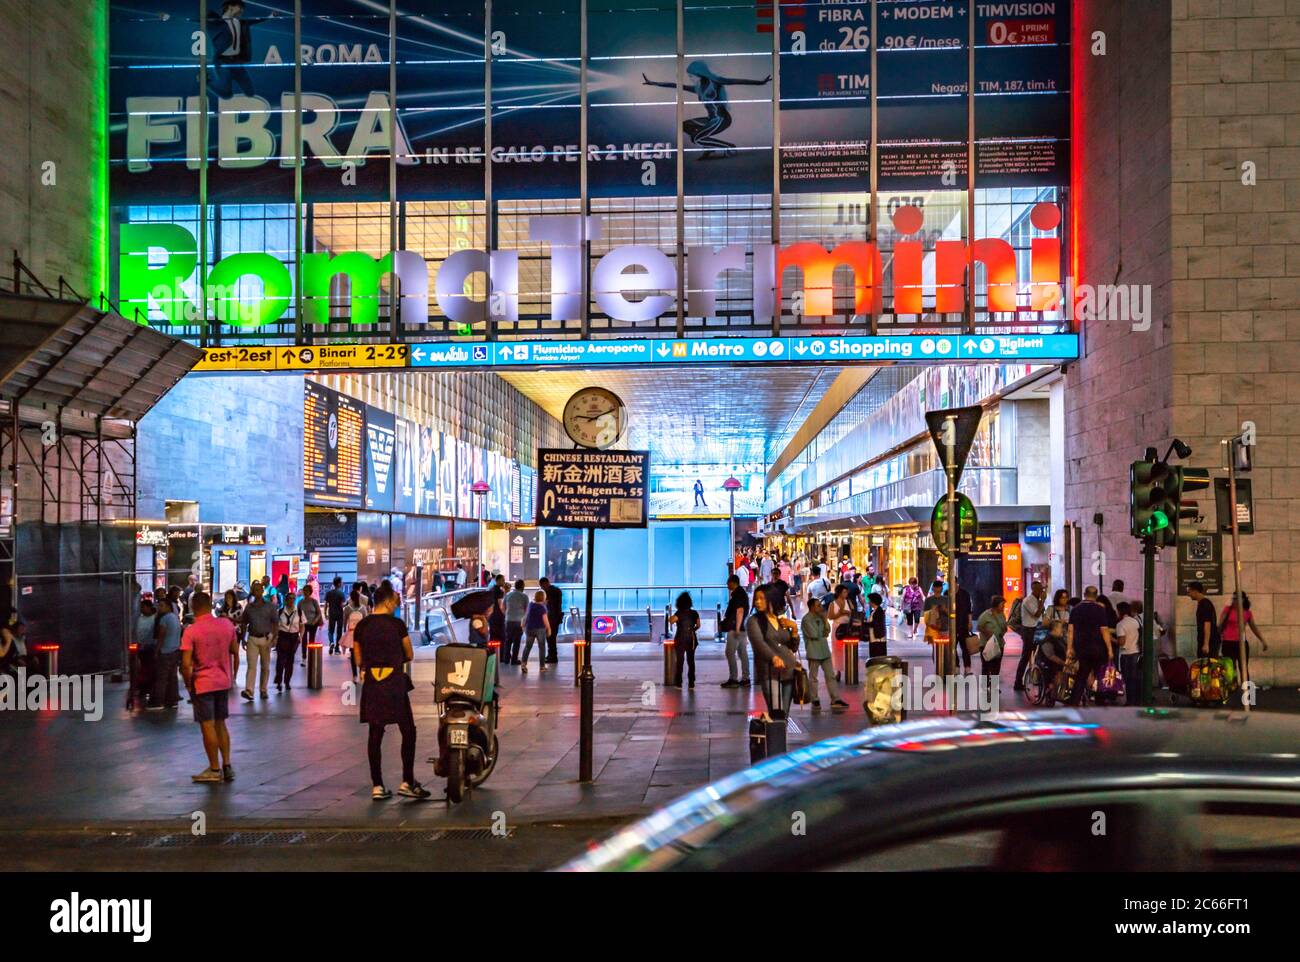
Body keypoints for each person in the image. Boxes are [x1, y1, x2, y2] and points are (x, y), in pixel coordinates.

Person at [354, 584, 430, 800]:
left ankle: (377, 785)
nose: (397, 603)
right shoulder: (397, 625)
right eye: (395, 599)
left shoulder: (362, 625)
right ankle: (407, 781)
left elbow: (358, 658)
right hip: (394, 682)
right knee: (408, 730)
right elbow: (409, 653)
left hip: (372, 684)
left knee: (375, 733)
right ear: (386, 601)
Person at [179, 592, 238, 784]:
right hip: (222, 681)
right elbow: (235, 652)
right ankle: (227, 765)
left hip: (203, 683)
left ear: (193, 607)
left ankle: (214, 768)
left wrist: (189, 685)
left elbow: (186, 663)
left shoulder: (191, 631)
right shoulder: (226, 625)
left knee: (207, 724)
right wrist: (232, 677)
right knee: (221, 723)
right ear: (210, 604)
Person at [746, 588, 800, 719]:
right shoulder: (754, 621)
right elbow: (758, 644)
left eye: (761, 598)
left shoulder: (780, 619)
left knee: (784, 713)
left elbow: (793, 647)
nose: (757, 602)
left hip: (789, 671)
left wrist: (794, 630)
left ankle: (780, 738)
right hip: (770, 672)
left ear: (771, 599)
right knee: (777, 711)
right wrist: (773, 657)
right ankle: (775, 738)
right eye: (756, 599)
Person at [1066, 586, 1114, 705]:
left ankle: (1075, 701)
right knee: (1100, 674)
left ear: (1084, 594)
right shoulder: (1100, 609)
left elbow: (1070, 630)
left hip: (1081, 647)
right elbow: (1104, 630)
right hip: (1098, 647)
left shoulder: (1075, 610)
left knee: (1082, 675)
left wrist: (1069, 648)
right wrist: (1109, 649)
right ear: (1096, 595)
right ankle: (1100, 700)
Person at [801, 598, 848, 712]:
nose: (820, 608)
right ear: (812, 607)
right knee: (813, 677)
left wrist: (824, 620)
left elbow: (826, 632)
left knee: (830, 675)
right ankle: (815, 699)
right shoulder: (806, 619)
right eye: (818, 606)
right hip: (814, 651)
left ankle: (835, 698)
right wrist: (821, 629)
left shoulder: (820, 617)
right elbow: (814, 634)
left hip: (824, 651)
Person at [239, 581, 277, 701]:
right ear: (253, 592)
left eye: (259, 589)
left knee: (265, 666)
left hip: (266, 638)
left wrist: (275, 637)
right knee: (252, 666)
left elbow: (275, 622)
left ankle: (263, 689)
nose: (258, 592)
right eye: (255, 590)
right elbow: (244, 622)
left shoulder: (270, 606)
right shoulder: (249, 607)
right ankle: (249, 690)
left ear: (262, 591)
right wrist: (243, 638)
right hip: (253, 638)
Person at [149, 595, 184, 712]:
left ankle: (158, 701)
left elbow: (161, 635)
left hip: (165, 651)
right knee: (172, 677)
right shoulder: (175, 618)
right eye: (158, 605)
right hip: (175, 650)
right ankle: (172, 700)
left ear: (168, 607)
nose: (159, 608)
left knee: (161, 677)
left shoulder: (164, 619)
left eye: (161, 605)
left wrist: (157, 650)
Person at [1011, 581, 1047, 691]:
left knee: (1039, 654)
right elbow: (1036, 613)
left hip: (1037, 629)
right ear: (1033, 589)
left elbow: (1041, 614)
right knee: (1025, 656)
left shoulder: (1037, 600)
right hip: (1029, 630)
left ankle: (1036, 678)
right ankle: (1018, 682)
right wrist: (1042, 600)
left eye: (1042, 589)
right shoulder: (1028, 601)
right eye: (1039, 589)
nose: (1041, 591)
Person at [1219, 591, 1268, 671]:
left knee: (1243, 669)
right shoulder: (1227, 610)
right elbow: (1220, 624)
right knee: (1230, 669)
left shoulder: (1247, 613)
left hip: (1241, 642)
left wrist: (1262, 640)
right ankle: (1233, 683)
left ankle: (1245, 683)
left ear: (1243, 600)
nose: (1234, 601)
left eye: (1236, 599)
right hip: (1228, 642)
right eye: (1233, 599)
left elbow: (1254, 627)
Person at [720, 574, 751, 688]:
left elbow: (740, 611)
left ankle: (733, 678)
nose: (727, 584)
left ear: (734, 582)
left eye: (728, 582)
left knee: (729, 653)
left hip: (735, 629)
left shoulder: (738, 595)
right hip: (741, 628)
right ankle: (746, 678)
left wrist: (737, 628)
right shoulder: (741, 594)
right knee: (743, 653)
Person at [668, 592, 701, 689]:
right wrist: (693, 630)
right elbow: (698, 625)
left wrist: (671, 616)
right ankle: (691, 683)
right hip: (691, 638)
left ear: (679, 603)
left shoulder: (678, 613)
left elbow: (671, 621)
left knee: (680, 661)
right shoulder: (694, 613)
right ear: (690, 602)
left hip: (680, 638)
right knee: (691, 661)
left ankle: (679, 683)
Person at [274, 590, 303, 692]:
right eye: (289, 599)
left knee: (290, 661)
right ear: (286, 600)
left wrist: (301, 636)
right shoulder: (281, 611)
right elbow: (276, 625)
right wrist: (275, 637)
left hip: (293, 637)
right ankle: (278, 681)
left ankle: (287, 681)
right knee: (281, 660)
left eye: (293, 599)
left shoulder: (298, 611)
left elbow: (302, 624)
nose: (291, 600)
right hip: (283, 636)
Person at [1114, 601, 1142, 705]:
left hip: (1126, 654)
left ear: (1120, 611)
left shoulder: (1120, 624)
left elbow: (1121, 642)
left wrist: (1111, 639)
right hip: (1136, 651)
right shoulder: (1135, 621)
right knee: (1135, 678)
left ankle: (1130, 701)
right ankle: (1137, 700)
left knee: (1128, 679)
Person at [133, 598, 158, 707]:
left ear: (149, 607)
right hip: (142, 647)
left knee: (149, 668)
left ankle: (149, 688)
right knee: (143, 668)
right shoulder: (140, 619)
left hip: (151, 646)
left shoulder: (155, 619)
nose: (142, 609)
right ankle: (143, 687)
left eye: (143, 607)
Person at [976, 595, 1008, 681]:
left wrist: (1004, 630)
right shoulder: (986, 615)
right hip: (987, 644)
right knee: (986, 666)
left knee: (996, 667)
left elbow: (1004, 626)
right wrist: (987, 633)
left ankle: (994, 687)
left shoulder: (1002, 615)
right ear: (996, 605)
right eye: (1002, 605)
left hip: (999, 644)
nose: (1004, 607)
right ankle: (985, 686)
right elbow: (979, 626)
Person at [1187, 582, 1220, 658]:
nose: (1188, 594)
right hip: (1209, 641)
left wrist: (1206, 644)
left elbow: (1207, 624)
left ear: (1195, 591)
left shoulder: (1205, 605)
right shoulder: (1203, 603)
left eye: (1189, 592)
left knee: (1207, 666)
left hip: (1210, 642)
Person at [826, 584, 853, 680]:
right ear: (839, 593)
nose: (846, 594)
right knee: (837, 649)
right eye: (844, 592)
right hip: (837, 627)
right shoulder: (833, 604)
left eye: (846, 592)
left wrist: (847, 613)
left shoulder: (848, 602)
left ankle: (849, 669)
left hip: (847, 627)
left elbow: (852, 612)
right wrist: (840, 613)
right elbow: (830, 616)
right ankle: (837, 670)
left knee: (848, 649)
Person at [520, 590, 550, 673]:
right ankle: (542, 667)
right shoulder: (542, 607)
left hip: (529, 628)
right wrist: (549, 628)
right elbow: (545, 620)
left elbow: (526, 615)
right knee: (542, 647)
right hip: (540, 629)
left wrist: (523, 624)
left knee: (527, 646)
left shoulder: (531, 605)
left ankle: (523, 664)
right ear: (543, 597)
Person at [341, 589, 367, 681]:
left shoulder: (347, 608)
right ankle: (361, 672)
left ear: (350, 598)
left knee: (353, 654)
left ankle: (354, 675)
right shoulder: (363, 608)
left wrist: (344, 630)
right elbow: (365, 621)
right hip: (361, 634)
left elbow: (344, 621)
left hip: (352, 634)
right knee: (361, 653)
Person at [504, 579, 529, 665]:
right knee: (517, 641)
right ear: (522, 586)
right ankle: (514, 660)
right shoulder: (524, 596)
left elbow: (503, 607)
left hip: (508, 620)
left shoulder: (508, 595)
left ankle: (506, 658)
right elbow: (527, 610)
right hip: (519, 621)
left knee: (508, 640)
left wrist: (507, 615)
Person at [297, 583, 323, 666]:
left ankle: (311, 657)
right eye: (304, 590)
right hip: (304, 624)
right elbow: (298, 613)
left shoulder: (314, 601)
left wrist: (315, 621)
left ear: (310, 592)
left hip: (313, 624)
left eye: (307, 591)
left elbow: (318, 613)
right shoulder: (300, 602)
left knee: (312, 640)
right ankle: (304, 658)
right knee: (304, 640)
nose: (305, 592)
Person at [324, 576, 347, 654]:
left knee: (331, 630)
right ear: (339, 583)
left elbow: (326, 604)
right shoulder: (341, 593)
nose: (342, 583)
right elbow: (342, 605)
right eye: (342, 582)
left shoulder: (329, 593)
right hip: (339, 614)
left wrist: (325, 613)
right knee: (339, 631)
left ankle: (331, 642)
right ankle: (337, 648)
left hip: (331, 613)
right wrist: (347, 603)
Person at [489, 574, 508, 662]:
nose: (504, 581)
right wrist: (504, 614)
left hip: (492, 616)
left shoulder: (492, 589)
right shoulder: (499, 591)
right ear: (499, 580)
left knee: (493, 636)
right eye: (503, 580)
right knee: (502, 636)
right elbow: (500, 605)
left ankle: (492, 655)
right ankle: (502, 657)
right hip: (499, 617)